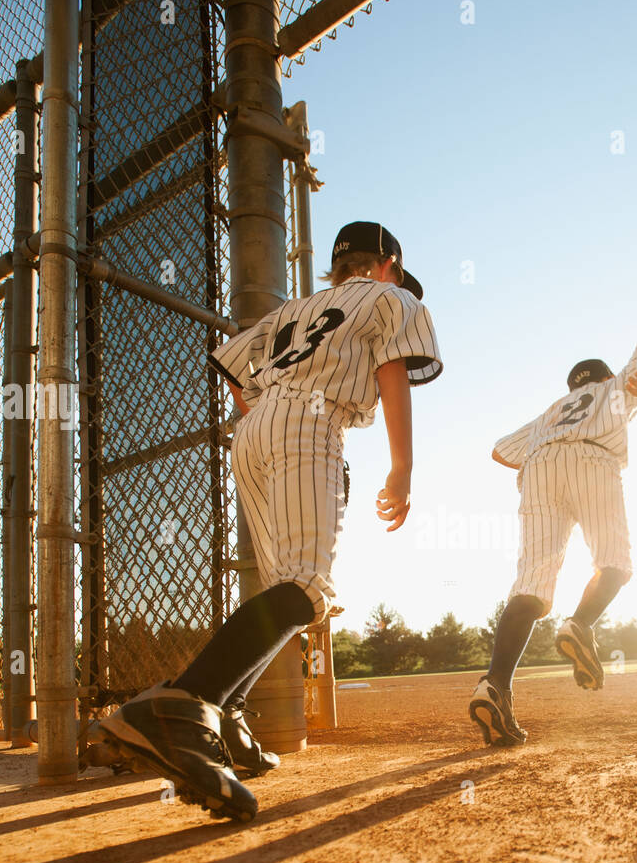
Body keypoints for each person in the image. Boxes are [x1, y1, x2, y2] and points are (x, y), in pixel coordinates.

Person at [100, 221, 442, 820]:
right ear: (387, 263)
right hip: (313, 426)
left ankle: (224, 715)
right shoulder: (393, 297)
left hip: (254, 431)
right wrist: (402, 468)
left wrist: (269, 412)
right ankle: (184, 706)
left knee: (284, 581)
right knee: (308, 588)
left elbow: (235, 374)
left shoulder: (296, 307)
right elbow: (392, 374)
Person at [469, 330, 637, 746]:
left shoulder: (552, 410)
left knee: (531, 584)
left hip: (539, 467)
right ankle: (579, 624)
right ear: (601, 379)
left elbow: (499, 452)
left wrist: (549, 454)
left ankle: (494, 685)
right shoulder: (613, 388)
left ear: (571, 388)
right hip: (594, 458)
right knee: (614, 561)